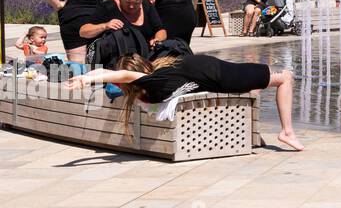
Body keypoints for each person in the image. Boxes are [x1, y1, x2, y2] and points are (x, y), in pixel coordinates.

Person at [67, 53, 304, 151]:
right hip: (217, 73)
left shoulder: (151, 85)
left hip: (214, 72)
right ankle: (287, 132)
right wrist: (86, 79)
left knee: (253, 86)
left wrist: (86, 77)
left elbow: (118, 75)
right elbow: (121, 75)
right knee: (284, 78)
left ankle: (251, 132)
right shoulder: (153, 79)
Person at [81, 0, 167, 65]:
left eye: (136, 3)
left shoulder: (146, 5)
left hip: (142, 62)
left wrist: (157, 40)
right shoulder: (108, 7)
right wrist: (105, 26)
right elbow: (83, 31)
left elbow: (160, 30)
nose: (131, 6)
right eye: (127, 2)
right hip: (112, 64)